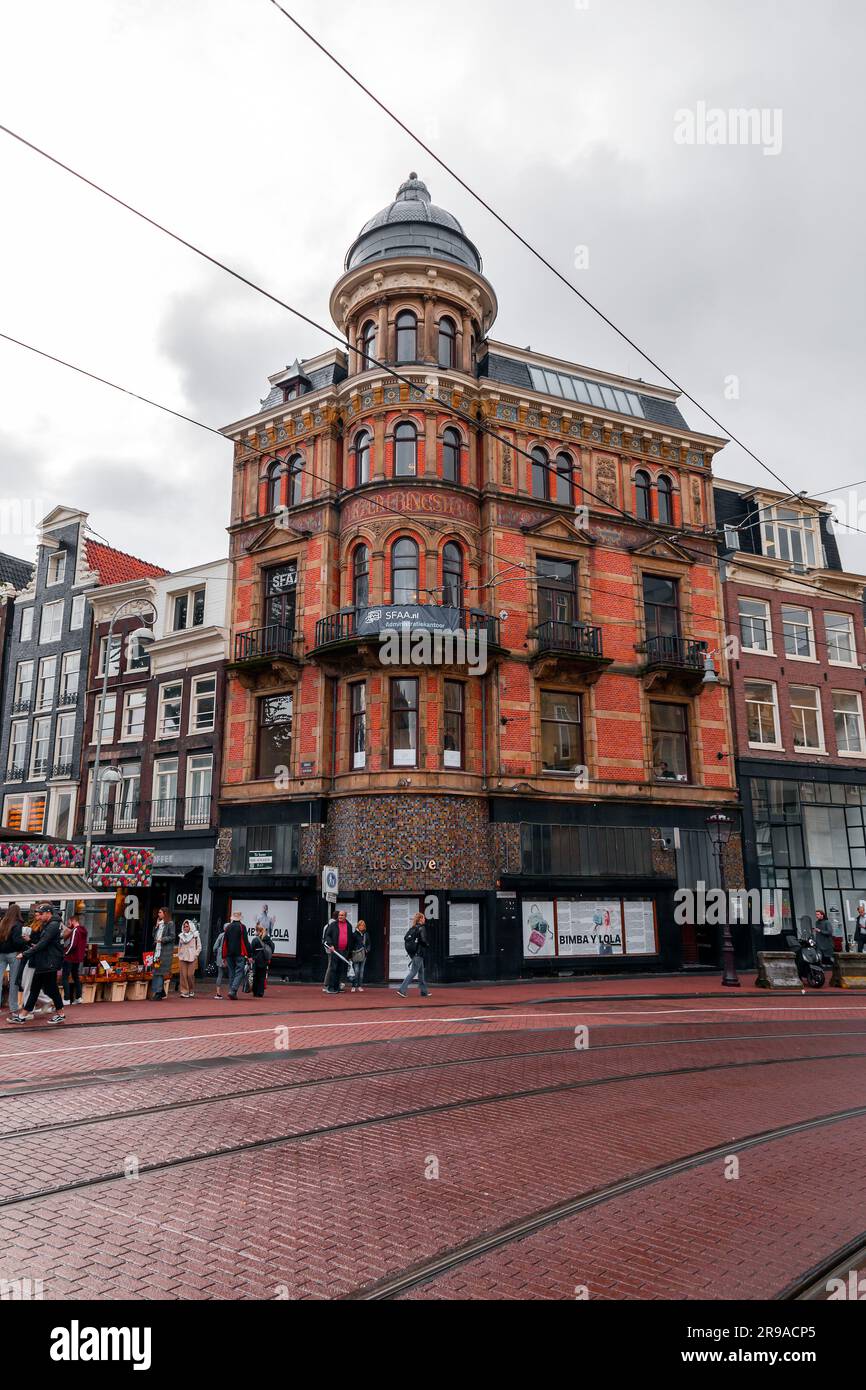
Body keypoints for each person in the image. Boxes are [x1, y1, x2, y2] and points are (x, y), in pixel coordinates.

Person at [7, 902, 65, 1024]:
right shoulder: (51, 924)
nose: (38, 917)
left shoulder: (53, 925)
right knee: (35, 989)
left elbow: (43, 943)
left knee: (51, 989)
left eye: (41, 914)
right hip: (44, 960)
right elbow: (42, 943)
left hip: (49, 961)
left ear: (48, 913)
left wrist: (25, 953)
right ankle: (23, 1016)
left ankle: (60, 1014)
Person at [396, 912, 431, 1000]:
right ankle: (402, 990)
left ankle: (424, 992)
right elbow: (423, 940)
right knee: (413, 972)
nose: (424, 919)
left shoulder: (413, 928)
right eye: (423, 918)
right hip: (418, 953)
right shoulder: (421, 928)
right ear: (420, 919)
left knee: (421, 972)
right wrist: (427, 944)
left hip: (413, 953)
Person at [0, 904, 27, 1011]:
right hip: (13, 954)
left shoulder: (2, 922)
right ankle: (14, 1007)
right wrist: (24, 942)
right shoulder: (17, 924)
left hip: (1, 954)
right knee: (13, 982)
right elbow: (16, 941)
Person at [222, 909, 250, 1000]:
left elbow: (225, 942)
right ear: (240, 918)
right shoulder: (242, 927)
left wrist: (223, 956)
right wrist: (249, 955)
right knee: (239, 972)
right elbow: (246, 942)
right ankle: (233, 990)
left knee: (232, 973)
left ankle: (231, 991)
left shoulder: (228, 927)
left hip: (229, 954)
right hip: (239, 953)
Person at [323, 910, 352, 995]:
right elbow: (327, 936)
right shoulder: (333, 925)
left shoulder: (349, 926)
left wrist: (349, 951)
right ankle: (330, 987)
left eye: (342, 915)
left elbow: (350, 938)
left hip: (344, 951)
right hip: (335, 951)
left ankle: (336, 987)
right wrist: (330, 945)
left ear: (345, 916)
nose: (340, 917)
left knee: (340, 969)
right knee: (333, 968)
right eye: (339, 915)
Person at [61, 914, 87, 1006]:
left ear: (73, 921)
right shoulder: (83, 930)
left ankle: (67, 999)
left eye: (69, 922)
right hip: (78, 958)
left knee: (65, 978)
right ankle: (79, 997)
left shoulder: (76, 930)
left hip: (70, 957)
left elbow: (73, 944)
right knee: (76, 977)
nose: (69, 924)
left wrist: (66, 953)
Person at [151, 909, 176, 1001]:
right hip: (157, 952)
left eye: (160, 912)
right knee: (157, 970)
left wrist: (162, 939)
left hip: (164, 953)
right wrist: (156, 926)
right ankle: (160, 991)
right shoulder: (160, 924)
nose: (158, 914)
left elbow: (172, 936)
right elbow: (154, 935)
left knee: (159, 971)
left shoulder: (170, 923)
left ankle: (158, 993)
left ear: (165, 913)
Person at [177, 920, 202, 998]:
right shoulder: (181, 936)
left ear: (190, 926)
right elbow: (179, 946)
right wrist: (179, 954)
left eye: (187, 926)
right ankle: (184, 991)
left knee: (190, 975)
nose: (185, 928)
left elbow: (199, 947)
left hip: (192, 957)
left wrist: (196, 954)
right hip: (183, 957)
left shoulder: (196, 935)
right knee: (183, 975)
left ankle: (191, 990)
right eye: (184, 926)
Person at [250, 923, 274, 997]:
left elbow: (251, 950)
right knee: (262, 976)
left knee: (255, 975)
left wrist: (251, 957)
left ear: (258, 931)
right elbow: (272, 949)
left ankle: (255, 992)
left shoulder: (255, 940)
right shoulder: (268, 939)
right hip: (264, 960)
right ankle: (261, 992)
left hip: (256, 960)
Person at [350, 920, 371, 993]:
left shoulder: (366, 934)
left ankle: (359, 985)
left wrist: (367, 950)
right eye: (361, 925)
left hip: (364, 955)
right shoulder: (354, 934)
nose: (362, 927)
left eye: (363, 925)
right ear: (358, 926)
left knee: (361, 971)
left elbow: (369, 944)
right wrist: (352, 952)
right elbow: (351, 944)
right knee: (356, 971)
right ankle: (353, 985)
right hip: (356, 954)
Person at [321, 910, 338, 993]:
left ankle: (329, 983)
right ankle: (326, 984)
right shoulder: (333, 925)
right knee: (331, 966)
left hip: (328, 947)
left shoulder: (326, 925)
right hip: (332, 948)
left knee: (331, 965)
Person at [212, 923, 227, 999]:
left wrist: (215, 952)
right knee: (231, 974)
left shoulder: (221, 935)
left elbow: (215, 946)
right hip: (229, 957)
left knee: (220, 974)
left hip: (221, 956)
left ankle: (218, 993)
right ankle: (232, 991)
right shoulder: (232, 936)